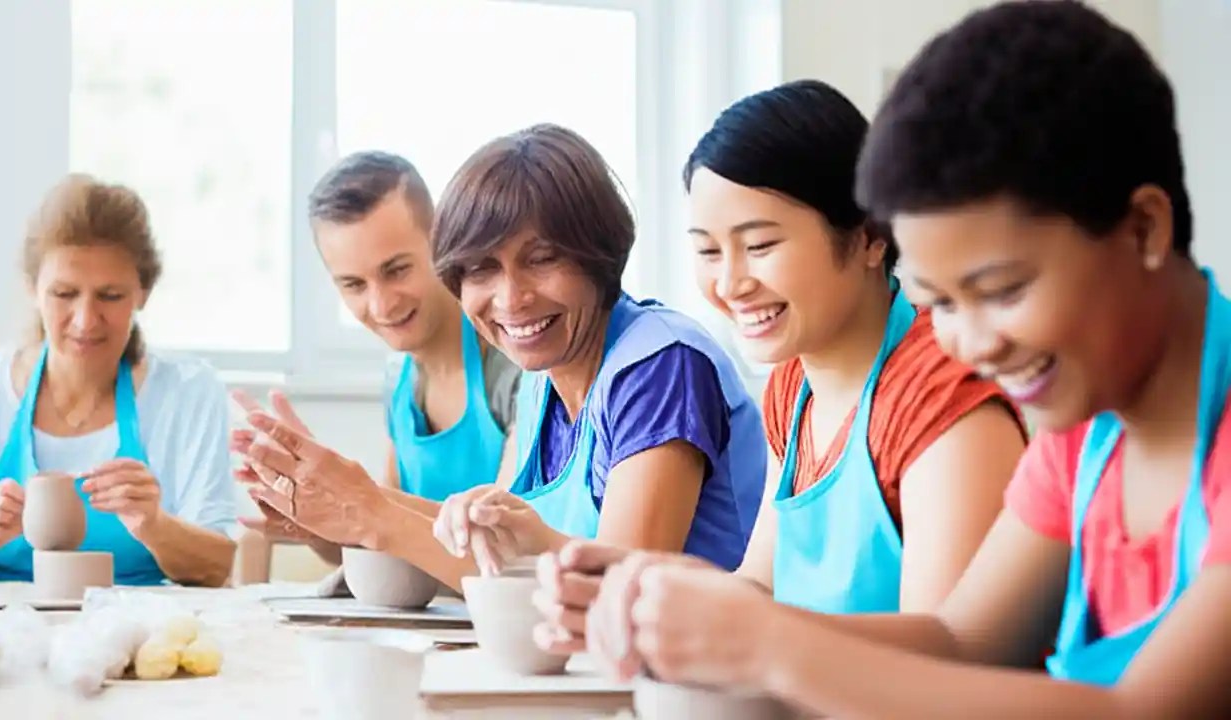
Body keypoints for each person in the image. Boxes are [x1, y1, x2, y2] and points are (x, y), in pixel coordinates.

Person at [548, 3, 1231, 717]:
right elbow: (962, 638)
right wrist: (693, 610)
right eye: (940, 302)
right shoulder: (1085, 430)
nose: (970, 345)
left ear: (1144, 228)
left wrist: (768, 646)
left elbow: (1140, 712)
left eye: (1000, 291)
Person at [527, 79, 1026, 655]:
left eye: (760, 246)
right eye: (710, 252)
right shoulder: (794, 387)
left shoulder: (943, 403)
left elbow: (946, 665)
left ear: (868, 237)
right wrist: (642, 586)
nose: (731, 283)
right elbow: (758, 587)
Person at [237, 124, 766, 584]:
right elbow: (497, 560)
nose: (511, 299)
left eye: (541, 259)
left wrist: (372, 510)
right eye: (480, 270)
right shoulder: (540, 383)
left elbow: (623, 586)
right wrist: (336, 497)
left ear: (599, 252)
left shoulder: (661, 366)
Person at [230, 152, 522, 567]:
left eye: (397, 270)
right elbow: (389, 550)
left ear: (441, 241)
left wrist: (355, 499)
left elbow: (505, 556)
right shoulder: (398, 385)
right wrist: (314, 513)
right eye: (353, 284)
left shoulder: (514, 370)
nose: (381, 305)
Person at [0, 174, 236, 587]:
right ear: (33, 289)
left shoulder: (188, 391)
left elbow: (216, 567)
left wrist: (155, 524)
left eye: (110, 296)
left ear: (143, 292)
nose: (85, 321)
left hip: (139, 639)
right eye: (64, 294)